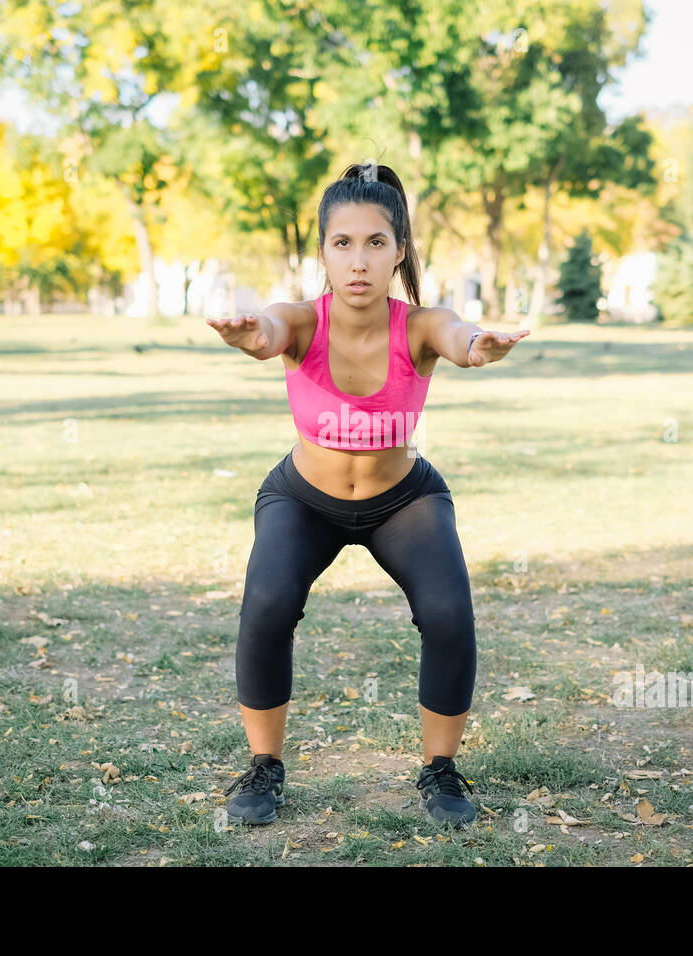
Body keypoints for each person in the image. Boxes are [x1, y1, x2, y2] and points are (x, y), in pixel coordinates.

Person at [206, 159, 529, 828]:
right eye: (342, 243)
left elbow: (459, 338)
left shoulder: (419, 325)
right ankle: (265, 767)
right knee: (266, 603)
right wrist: (251, 338)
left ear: (400, 250)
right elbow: (268, 332)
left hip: (402, 500)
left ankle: (440, 770)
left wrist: (481, 346)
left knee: (448, 613)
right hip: (304, 498)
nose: (359, 260)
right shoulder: (301, 318)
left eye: (376, 243)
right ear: (322, 251)